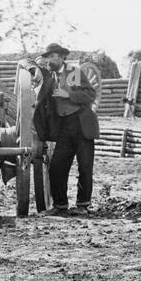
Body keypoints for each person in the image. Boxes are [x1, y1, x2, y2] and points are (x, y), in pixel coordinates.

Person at [34, 43, 99, 215]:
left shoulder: (72, 73)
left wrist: (68, 94)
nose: (53, 59)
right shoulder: (49, 77)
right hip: (64, 126)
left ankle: (83, 206)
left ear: (63, 58)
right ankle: (60, 206)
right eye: (50, 56)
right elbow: (29, 65)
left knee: (85, 166)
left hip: (81, 122)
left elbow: (90, 95)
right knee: (56, 167)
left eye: (57, 56)